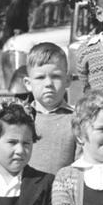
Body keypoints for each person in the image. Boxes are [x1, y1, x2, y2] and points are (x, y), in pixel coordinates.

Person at [22, 43, 79, 176]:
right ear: (28, 83)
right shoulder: (20, 119)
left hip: (62, 193)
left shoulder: (77, 120)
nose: (48, 83)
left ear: (68, 80)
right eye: (40, 77)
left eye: (56, 76)